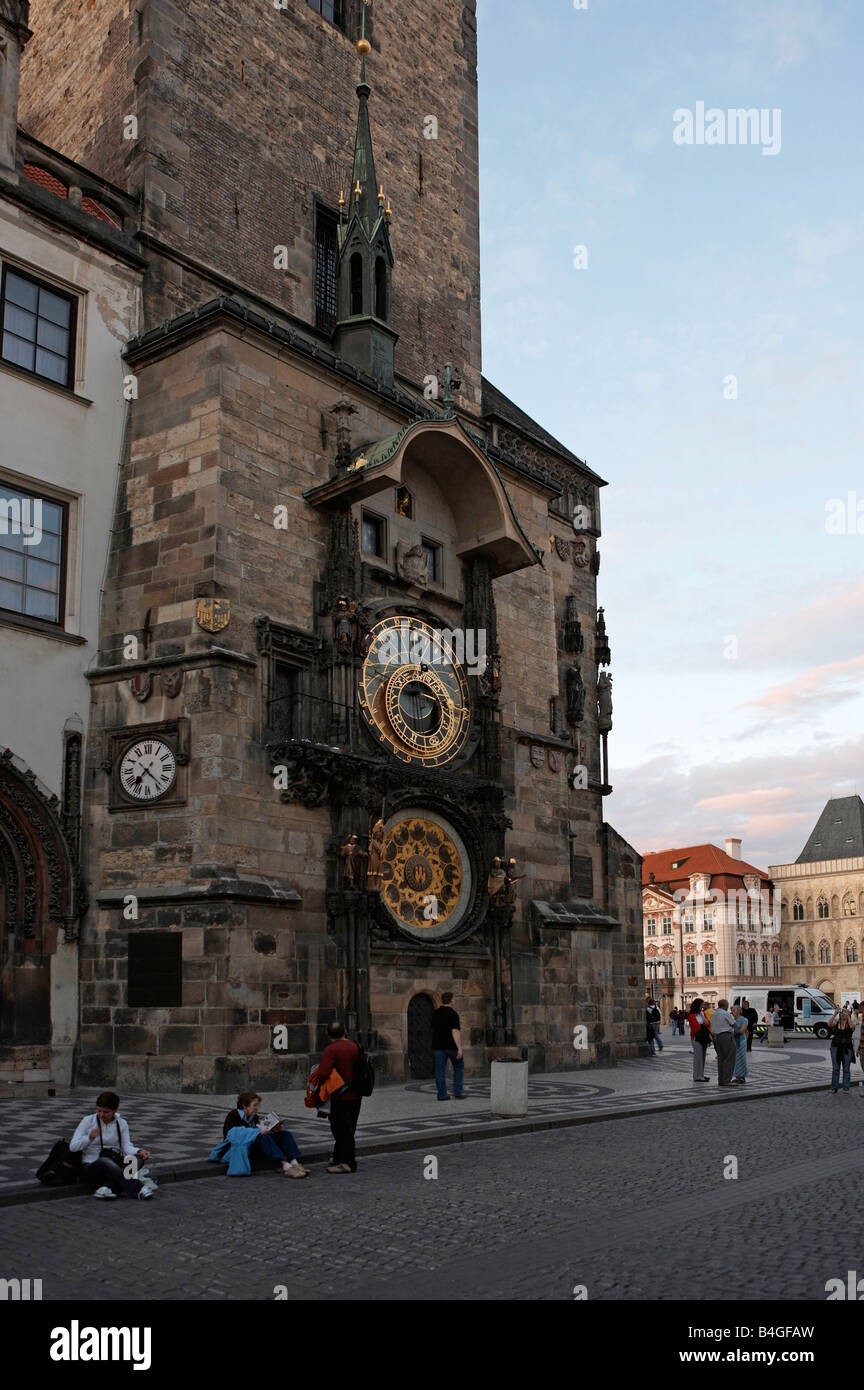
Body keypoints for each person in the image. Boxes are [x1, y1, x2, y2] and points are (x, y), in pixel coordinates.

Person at [69, 1091, 157, 1200]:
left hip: (114, 1164)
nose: (101, 1115)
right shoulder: (88, 1121)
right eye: (99, 1111)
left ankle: (108, 1188)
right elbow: (73, 1147)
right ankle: (139, 1189)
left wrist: (139, 1151)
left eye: (106, 1112)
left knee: (137, 1160)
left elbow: (126, 1147)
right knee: (105, 1161)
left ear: (115, 1111)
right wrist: (89, 1138)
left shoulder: (121, 1123)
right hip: (91, 1166)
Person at [221, 1091, 308, 1178]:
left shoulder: (254, 1117)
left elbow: (257, 1132)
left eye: (258, 1105)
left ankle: (294, 1163)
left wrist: (272, 1130)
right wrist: (257, 1132)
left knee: (284, 1134)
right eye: (254, 1105)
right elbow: (231, 1135)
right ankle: (286, 1166)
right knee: (262, 1137)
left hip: (254, 1145)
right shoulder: (233, 1115)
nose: (257, 1108)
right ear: (244, 1106)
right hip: (237, 1149)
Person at [317, 1021, 363, 1173]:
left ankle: (348, 1163)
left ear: (327, 1034)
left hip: (339, 1096)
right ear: (345, 1031)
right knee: (349, 1128)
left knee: (341, 1130)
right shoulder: (356, 1046)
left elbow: (323, 1073)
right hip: (356, 1094)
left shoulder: (331, 1050)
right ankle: (339, 1157)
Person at [432, 991, 466, 1099]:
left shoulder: (435, 1013)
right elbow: (455, 1031)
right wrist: (459, 1048)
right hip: (451, 1046)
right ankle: (458, 1092)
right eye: (453, 999)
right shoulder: (453, 1014)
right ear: (451, 1000)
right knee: (458, 1068)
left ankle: (442, 1094)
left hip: (438, 1046)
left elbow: (433, 1028)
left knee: (440, 1070)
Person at [709, 999, 737, 1087]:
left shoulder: (714, 1013)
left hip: (716, 1036)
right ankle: (726, 1080)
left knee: (721, 1058)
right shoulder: (725, 1013)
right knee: (729, 1058)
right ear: (725, 1006)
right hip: (726, 1036)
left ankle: (721, 1079)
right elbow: (734, 1024)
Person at [828, 1007, 855, 1094]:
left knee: (846, 1069)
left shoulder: (849, 1023)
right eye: (842, 1013)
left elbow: (852, 1027)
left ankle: (846, 1088)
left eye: (845, 1013)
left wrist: (848, 1017)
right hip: (835, 1047)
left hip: (847, 1048)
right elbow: (829, 1024)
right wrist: (835, 1014)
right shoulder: (837, 1023)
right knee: (835, 1068)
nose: (843, 1014)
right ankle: (834, 1088)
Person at [688, 999, 711, 1082]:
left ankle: (701, 1074)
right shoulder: (691, 1015)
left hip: (703, 1036)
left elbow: (708, 1023)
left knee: (703, 1056)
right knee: (698, 1057)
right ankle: (697, 1076)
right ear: (697, 1005)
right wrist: (703, 1027)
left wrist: (702, 1016)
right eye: (702, 1005)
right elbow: (695, 1027)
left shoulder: (702, 1013)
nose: (703, 1006)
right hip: (697, 1037)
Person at [731, 1005, 749, 1084]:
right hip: (734, 1041)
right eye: (732, 1010)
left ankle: (742, 1077)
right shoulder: (732, 1020)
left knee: (741, 1058)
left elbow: (742, 1030)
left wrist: (733, 1031)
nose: (732, 1012)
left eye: (734, 1010)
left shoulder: (744, 1019)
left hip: (741, 1041)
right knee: (735, 1059)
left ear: (738, 1011)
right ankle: (737, 1076)